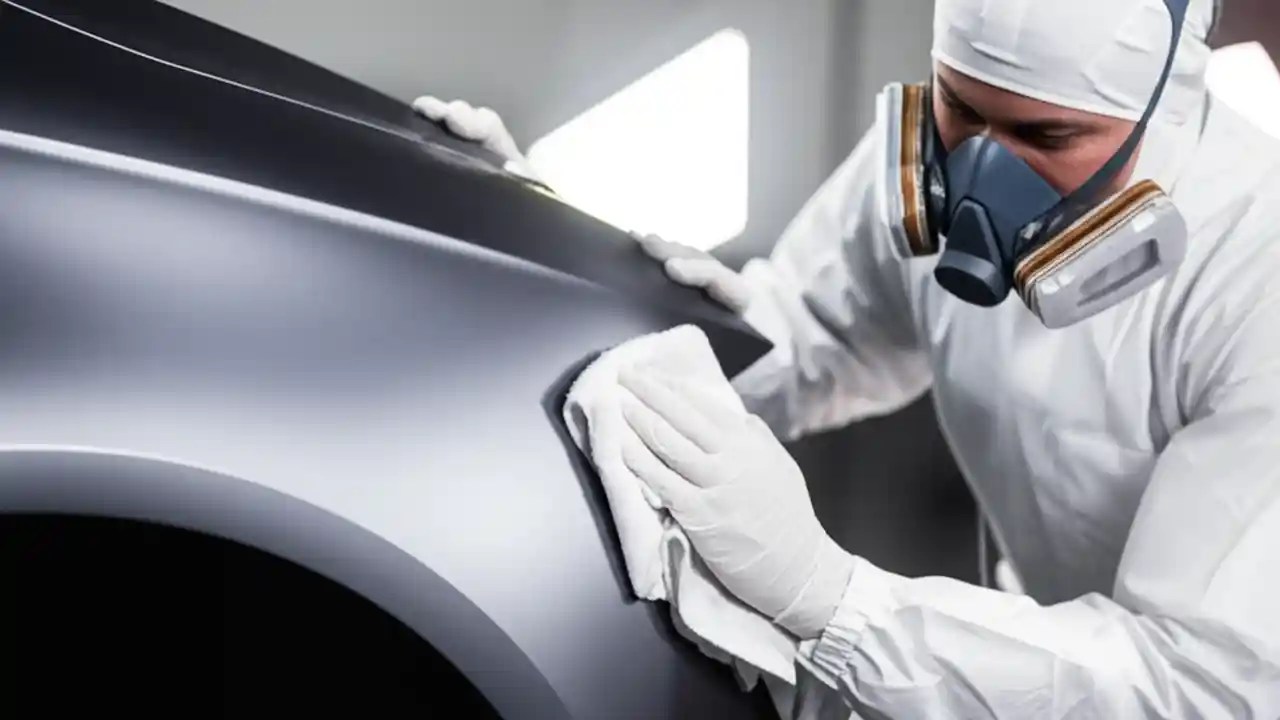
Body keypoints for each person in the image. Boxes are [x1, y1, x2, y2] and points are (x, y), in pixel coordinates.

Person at [419, 0, 1280, 715]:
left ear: (1162, 113)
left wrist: (834, 600)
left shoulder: (1256, 280)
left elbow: (1201, 687)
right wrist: (549, 268)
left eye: (1047, 136)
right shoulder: (927, 166)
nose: (979, 177)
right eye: (962, 111)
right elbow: (801, 341)